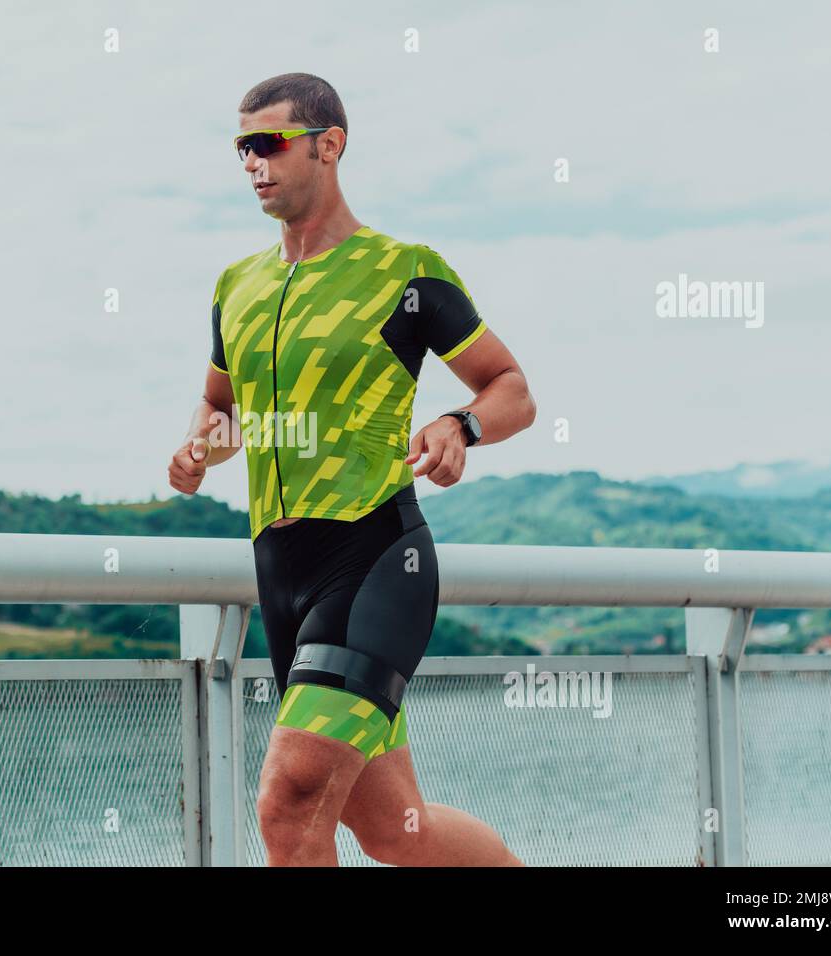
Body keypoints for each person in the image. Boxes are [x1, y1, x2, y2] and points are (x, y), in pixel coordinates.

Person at [168, 73, 535, 866]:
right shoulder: (237, 285)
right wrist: (200, 447)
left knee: (287, 806)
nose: (252, 164)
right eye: (241, 149)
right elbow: (222, 410)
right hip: (280, 572)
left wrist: (458, 423)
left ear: (329, 146)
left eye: (269, 144)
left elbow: (511, 390)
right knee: (393, 829)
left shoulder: (405, 271)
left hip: (373, 559)